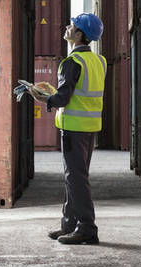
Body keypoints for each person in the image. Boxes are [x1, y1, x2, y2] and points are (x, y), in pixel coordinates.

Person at [30, 12, 106, 246]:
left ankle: (86, 228)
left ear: (80, 34)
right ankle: (69, 224)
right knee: (74, 177)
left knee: (75, 178)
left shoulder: (72, 62)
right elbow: (79, 95)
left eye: (72, 26)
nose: (67, 27)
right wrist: (56, 93)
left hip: (73, 128)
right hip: (90, 127)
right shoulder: (98, 61)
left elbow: (63, 99)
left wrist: (42, 97)